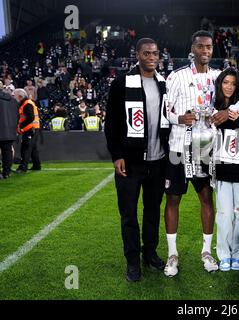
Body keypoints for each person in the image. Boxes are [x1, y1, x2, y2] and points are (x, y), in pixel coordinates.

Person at [163, 30, 239, 277]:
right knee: (173, 199)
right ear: (193, 48)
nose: (205, 51)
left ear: (213, 49)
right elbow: (165, 112)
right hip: (178, 147)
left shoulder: (218, 76)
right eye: (201, 47)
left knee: (206, 199)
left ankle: (206, 251)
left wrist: (228, 111)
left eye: (209, 47)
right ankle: (172, 254)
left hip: (207, 149)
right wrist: (179, 118)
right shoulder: (176, 77)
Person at [105, 38, 170, 282]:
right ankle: (132, 261)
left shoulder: (163, 83)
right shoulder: (122, 83)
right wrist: (117, 155)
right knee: (129, 215)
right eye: (146, 53)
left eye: (155, 53)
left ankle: (149, 253)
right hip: (131, 163)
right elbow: (110, 122)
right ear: (138, 55)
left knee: (153, 211)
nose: (152, 57)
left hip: (158, 160)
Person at [213, 68, 239, 272]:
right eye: (225, 82)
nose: (229, 86)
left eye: (233, 83)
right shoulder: (214, 107)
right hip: (222, 169)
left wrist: (238, 119)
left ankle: (238, 253)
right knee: (224, 214)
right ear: (220, 84)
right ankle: (223, 254)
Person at [14, 89, 42, 173]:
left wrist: (20, 126)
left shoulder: (27, 104)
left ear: (20, 96)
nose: (13, 97)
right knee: (33, 148)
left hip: (31, 128)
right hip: (33, 128)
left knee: (26, 148)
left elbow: (31, 117)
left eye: (14, 95)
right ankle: (37, 165)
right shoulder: (27, 103)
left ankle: (23, 167)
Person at [0, 87, 19, 180]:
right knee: (7, 152)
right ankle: (6, 173)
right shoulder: (13, 100)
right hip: (9, 130)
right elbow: (17, 115)